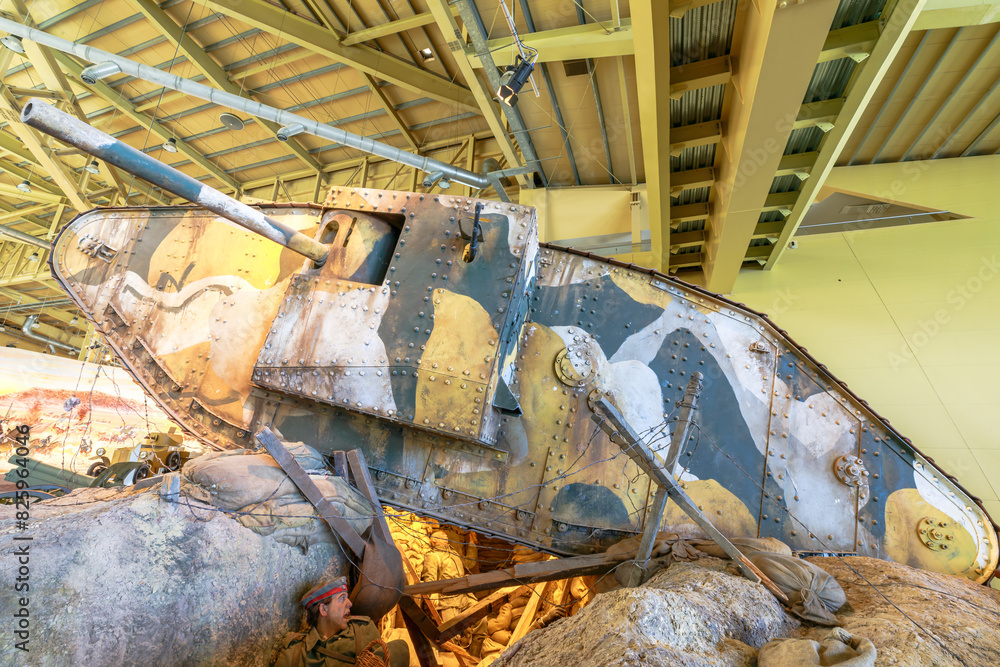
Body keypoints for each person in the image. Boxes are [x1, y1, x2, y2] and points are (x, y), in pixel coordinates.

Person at [274, 576, 409, 667]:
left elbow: (388, 660)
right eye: (341, 598)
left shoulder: (363, 630)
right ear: (323, 610)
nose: (349, 603)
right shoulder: (294, 651)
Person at [420, 530, 487, 657]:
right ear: (433, 541)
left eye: (445, 535)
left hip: (464, 596)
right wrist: (433, 593)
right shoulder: (433, 556)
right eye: (441, 536)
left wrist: (472, 544)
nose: (445, 536)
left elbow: (469, 564)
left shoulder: (454, 553)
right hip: (448, 600)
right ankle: (453, 662)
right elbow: (430, 577)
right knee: (451, 635)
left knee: (482, 619)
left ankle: (474, 660)